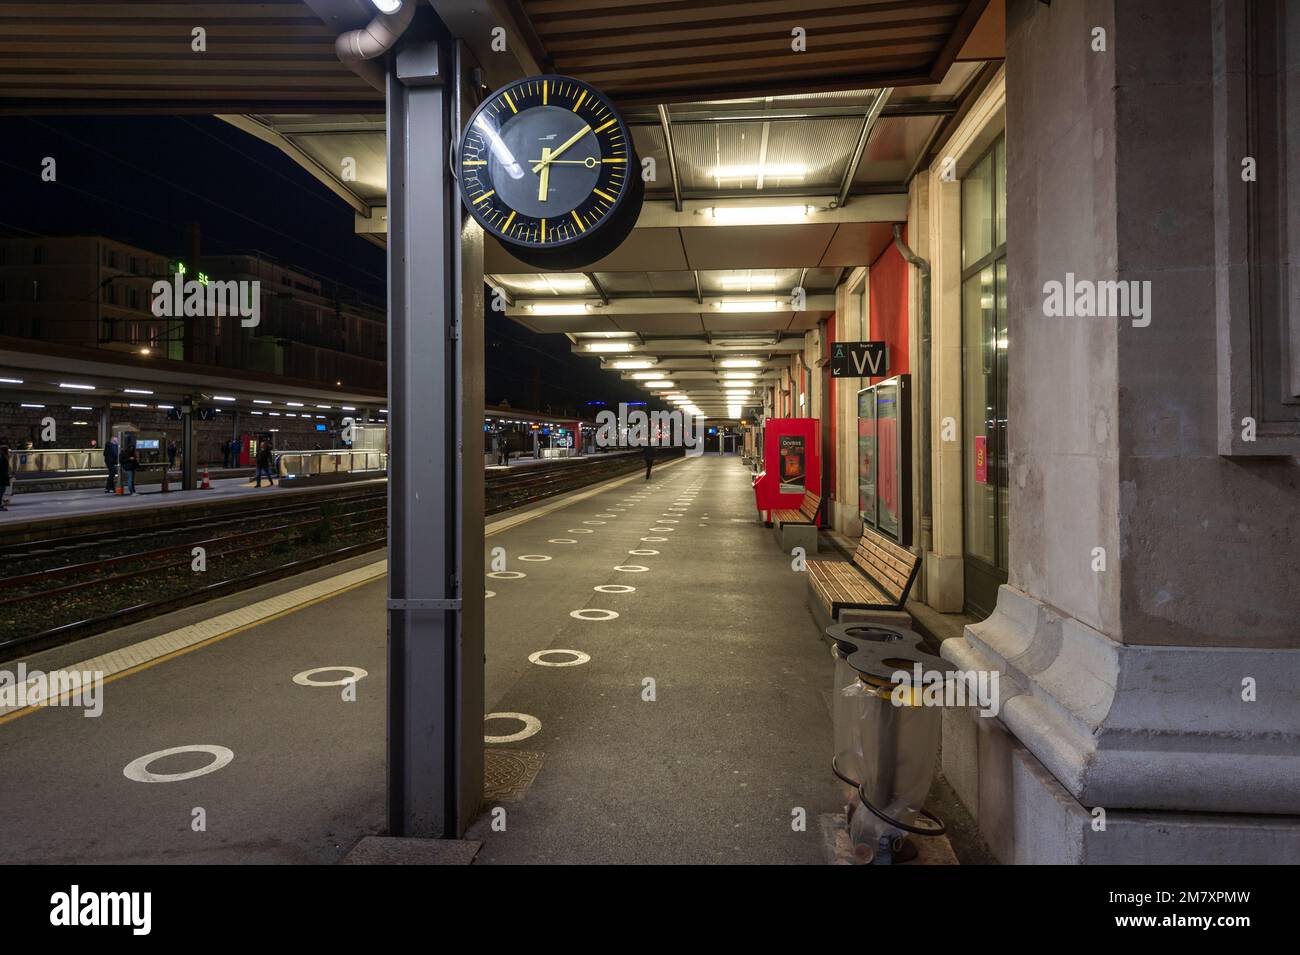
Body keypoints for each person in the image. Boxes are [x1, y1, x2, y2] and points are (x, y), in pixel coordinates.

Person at [0, 441, 11, 512]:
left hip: (2, 476)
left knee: (2, 490)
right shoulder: (3, 458)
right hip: (2, 477)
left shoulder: (3, 457)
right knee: (1, 490)